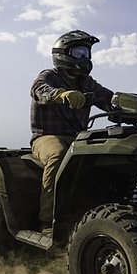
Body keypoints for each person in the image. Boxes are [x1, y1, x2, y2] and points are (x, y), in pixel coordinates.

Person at [30, 30, 115, 235]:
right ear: (63, 54)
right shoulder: (49, 76)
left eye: (86, 53)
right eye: (79, 52)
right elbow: (39, 89)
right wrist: (61, 94)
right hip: (47, 137)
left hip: (79, 139)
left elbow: (110, 99)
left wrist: (130, 105)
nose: (84, 58)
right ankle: (48, 221)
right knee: (58, 154)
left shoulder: (87, 83)